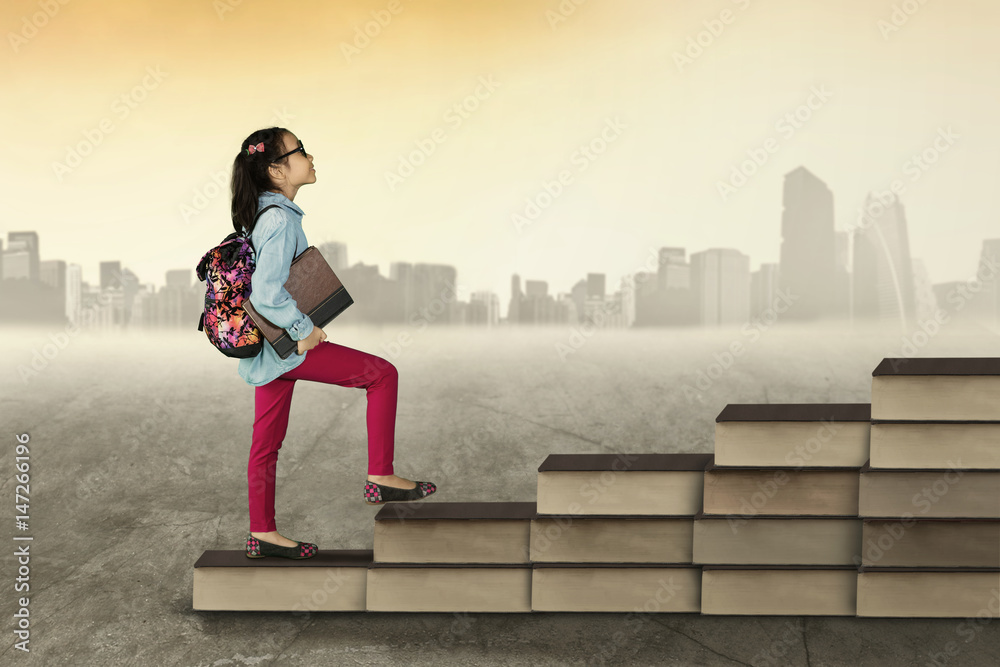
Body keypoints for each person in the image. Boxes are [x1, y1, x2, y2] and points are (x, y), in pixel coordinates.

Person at [231, 127, 437, 560]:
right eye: (299, 151)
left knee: (265, 446)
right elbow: (266, 293)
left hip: (269, 354)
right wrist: (304, 329)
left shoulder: (265, 215)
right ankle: (381, 475)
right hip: (289, 348)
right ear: (275, 170)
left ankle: (261, 534)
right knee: (382, 375)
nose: (310, 156)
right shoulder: (280, 219)